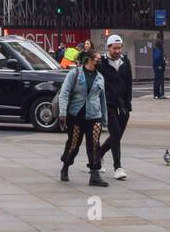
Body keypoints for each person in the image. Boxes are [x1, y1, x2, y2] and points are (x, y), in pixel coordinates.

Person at [57, 49, 109, 188]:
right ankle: (65, 166)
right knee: (74, 143)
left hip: (94, 115)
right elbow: (64, 93)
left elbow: (102, 98)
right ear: (89, 59)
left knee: (94, 144)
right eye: (97, 58)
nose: (99, 60)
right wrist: (62, 112)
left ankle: (94, 174)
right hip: (76, 115)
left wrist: (105, 119)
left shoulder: (100, 77)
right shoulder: (75, 73)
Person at [95, 35, 133, 181]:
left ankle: (98, 154)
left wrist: (128, 103)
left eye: (119, 48)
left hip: (123, 105)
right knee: (115, 133)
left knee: (117, 136)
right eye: (115, 48)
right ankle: (118, 167)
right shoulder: (101, 62)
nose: (117, 51)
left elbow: (129, 84)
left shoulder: (125, 62)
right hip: (108, 104)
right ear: (108, 47)